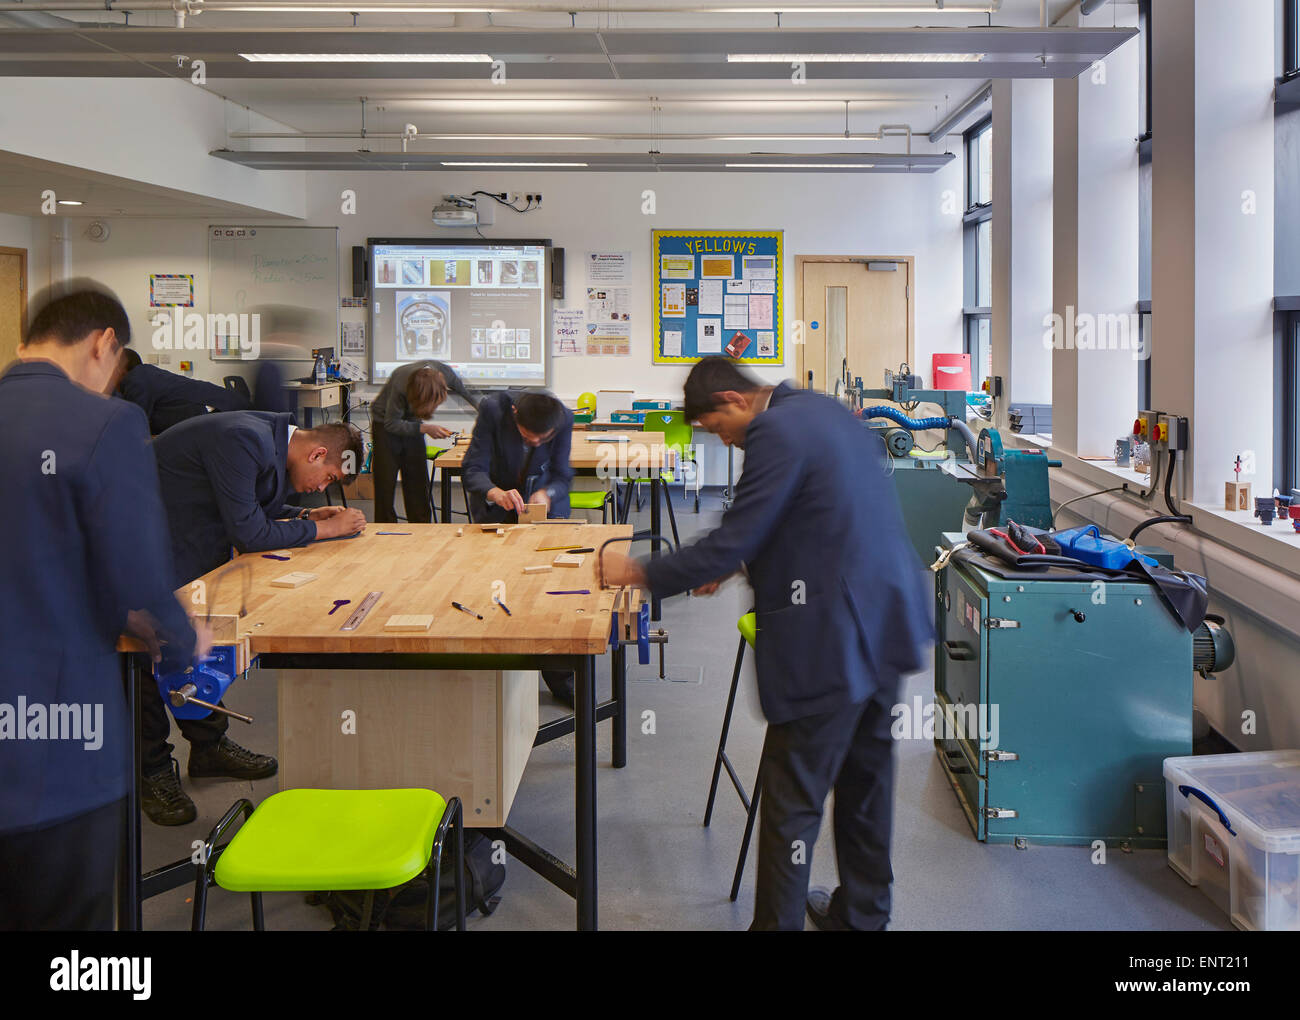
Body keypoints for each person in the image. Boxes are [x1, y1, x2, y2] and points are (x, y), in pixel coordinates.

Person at [601, 357, 932, 931]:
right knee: (867, 785)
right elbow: (820, 513)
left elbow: (738, 532)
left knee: (791, 804)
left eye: (715, 428)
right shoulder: (821, 409)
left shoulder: (773, 431)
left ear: (734, 399)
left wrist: (635, 572)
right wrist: (740, 563)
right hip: (888, 623)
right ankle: (863, 916)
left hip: (832, 640)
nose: (723, 441)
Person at [0, 284, 206, 929]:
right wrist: (182, 635)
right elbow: (137, 575)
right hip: (51, 749)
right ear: (103, 344)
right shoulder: (104, 423)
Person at [138, 412, 366, 826]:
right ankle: (151, 770)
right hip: (139, 547)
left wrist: (306, 516)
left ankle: (208, 747)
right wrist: (326, 532)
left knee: (190, 645)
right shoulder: (243, 439)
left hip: (184, 541)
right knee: (143, 653)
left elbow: (257, 504)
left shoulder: (273, 440)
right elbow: (251, 533)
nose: (322, 489)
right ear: (316, 453)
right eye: (328, 478)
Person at [463, 390, 576, 705]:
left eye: (544, 439)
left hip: (544, 510)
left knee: (550, 590)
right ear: (514, 416)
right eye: (529, 438)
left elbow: (563, 475)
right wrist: (495, 492)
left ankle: (560, 676)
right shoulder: (493, 411)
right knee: (497, 586)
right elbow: (473, 469)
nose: (536, 444)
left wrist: (547, 492)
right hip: (498, 507)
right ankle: (500, 671)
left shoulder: (563, 417)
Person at [371, 359, 476, 524]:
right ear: (417, 397)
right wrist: (425, 429)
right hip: (385, 424)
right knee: (385, 484)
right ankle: (385, 532)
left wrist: (488, 413)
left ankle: (421, 528)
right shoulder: (401, 381)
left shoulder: (445, 373)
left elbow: (469, 394)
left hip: (412, 422)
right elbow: (392, 424)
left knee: (418, 482)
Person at [111, 347, 252, 434]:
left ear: (120, 367)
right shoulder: (144, 374)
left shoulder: (137, 379)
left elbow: (135, 421)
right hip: (222, 405)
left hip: (214, 412)